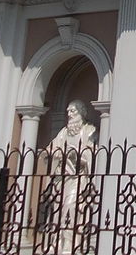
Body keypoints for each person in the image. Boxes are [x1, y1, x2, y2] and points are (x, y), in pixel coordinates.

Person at [44, 101, 97, 255]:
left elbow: (93, 154)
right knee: (57, 210)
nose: (69, 114)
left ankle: (70, 242)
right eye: (68, 111)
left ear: (81, 112)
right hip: (62, 178)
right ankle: (57, 241)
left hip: (78, 178)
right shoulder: (63, 132)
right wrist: (55, 154)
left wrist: (79, 156)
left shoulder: (89, 131)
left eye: (73, 111)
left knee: (70, 206)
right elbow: (51, 149)